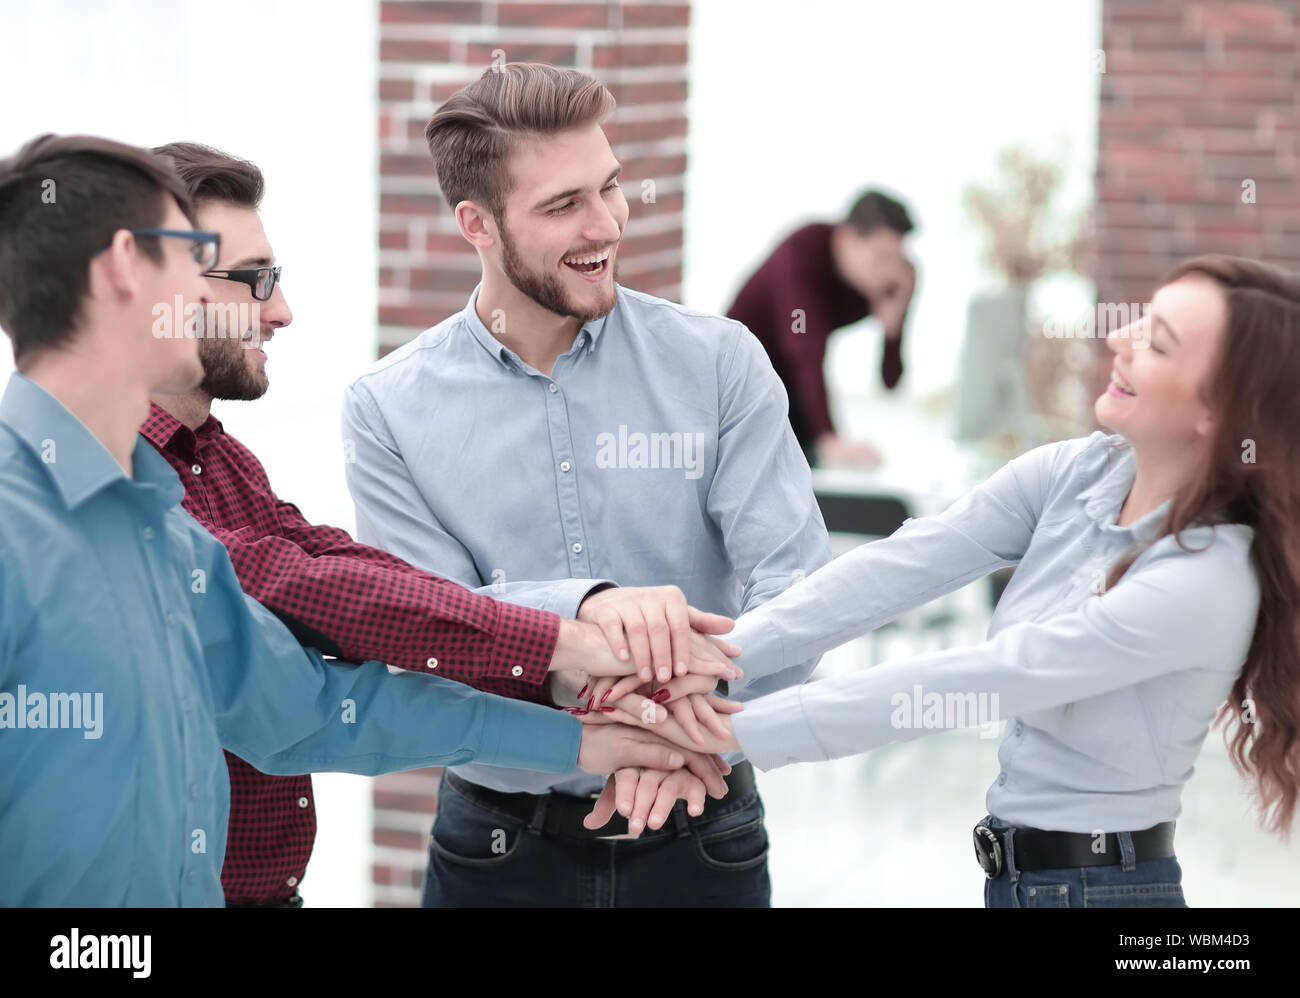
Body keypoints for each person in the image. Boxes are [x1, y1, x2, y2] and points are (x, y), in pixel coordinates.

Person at [0, 132, 723, 906]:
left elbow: (312, 711)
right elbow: (306, 593)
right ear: (122, 271)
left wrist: (587, 738)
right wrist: (564, 643)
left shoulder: (163, 534)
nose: (277, 310)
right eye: (205, 265)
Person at [590, 255, 1300, 907]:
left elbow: (970, 683)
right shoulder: (1082, 471)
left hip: (1103, 890)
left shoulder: (1206, 577)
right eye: (1141, 317)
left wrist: (708, 734)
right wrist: (711, 663)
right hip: (1026, 881)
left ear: (1222, 411)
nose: (1122, 338)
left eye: (1159, 341)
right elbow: (902, 565)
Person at [341, 63, 832, 907]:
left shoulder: (718, 365)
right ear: (477, 224)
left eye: (609, 188)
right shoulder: (387, 410)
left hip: (701, 831)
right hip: (498, 853)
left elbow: (798, 589)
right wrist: (586, 607)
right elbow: (430, 629)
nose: (605, 224)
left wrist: (686, 734)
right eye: (564, 204)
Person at [726, 190, 916, 468]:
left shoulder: (897, 280)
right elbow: (805, 351)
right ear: (844, 240)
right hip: (741, 378)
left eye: (895, 258)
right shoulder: (803, 252)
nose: (888, 271)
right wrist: (829, 439)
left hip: (797, 386)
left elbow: (890, 382)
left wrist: (893, 330)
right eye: (880, 257)